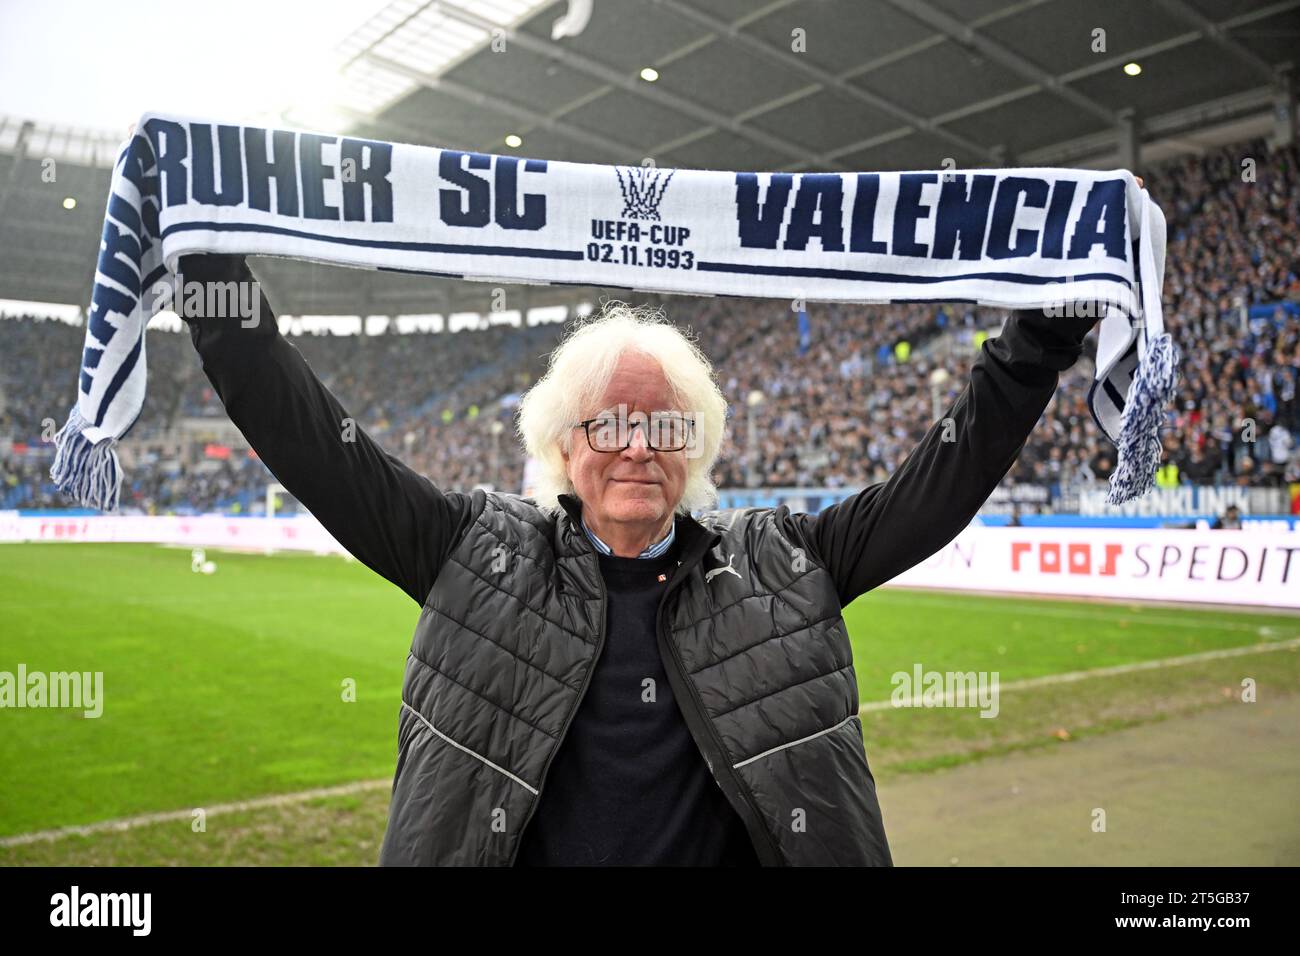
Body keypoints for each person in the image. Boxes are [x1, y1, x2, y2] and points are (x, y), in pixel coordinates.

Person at [178, 253, 1100, 866]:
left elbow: (952, 469)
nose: (637, 447)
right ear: (560, 444)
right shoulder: (468, 550)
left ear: (691, 445)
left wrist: (1046, 332)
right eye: (611, 422)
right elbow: (308, 439)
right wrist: (210, 270)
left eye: (663, 424)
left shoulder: (787, 563)